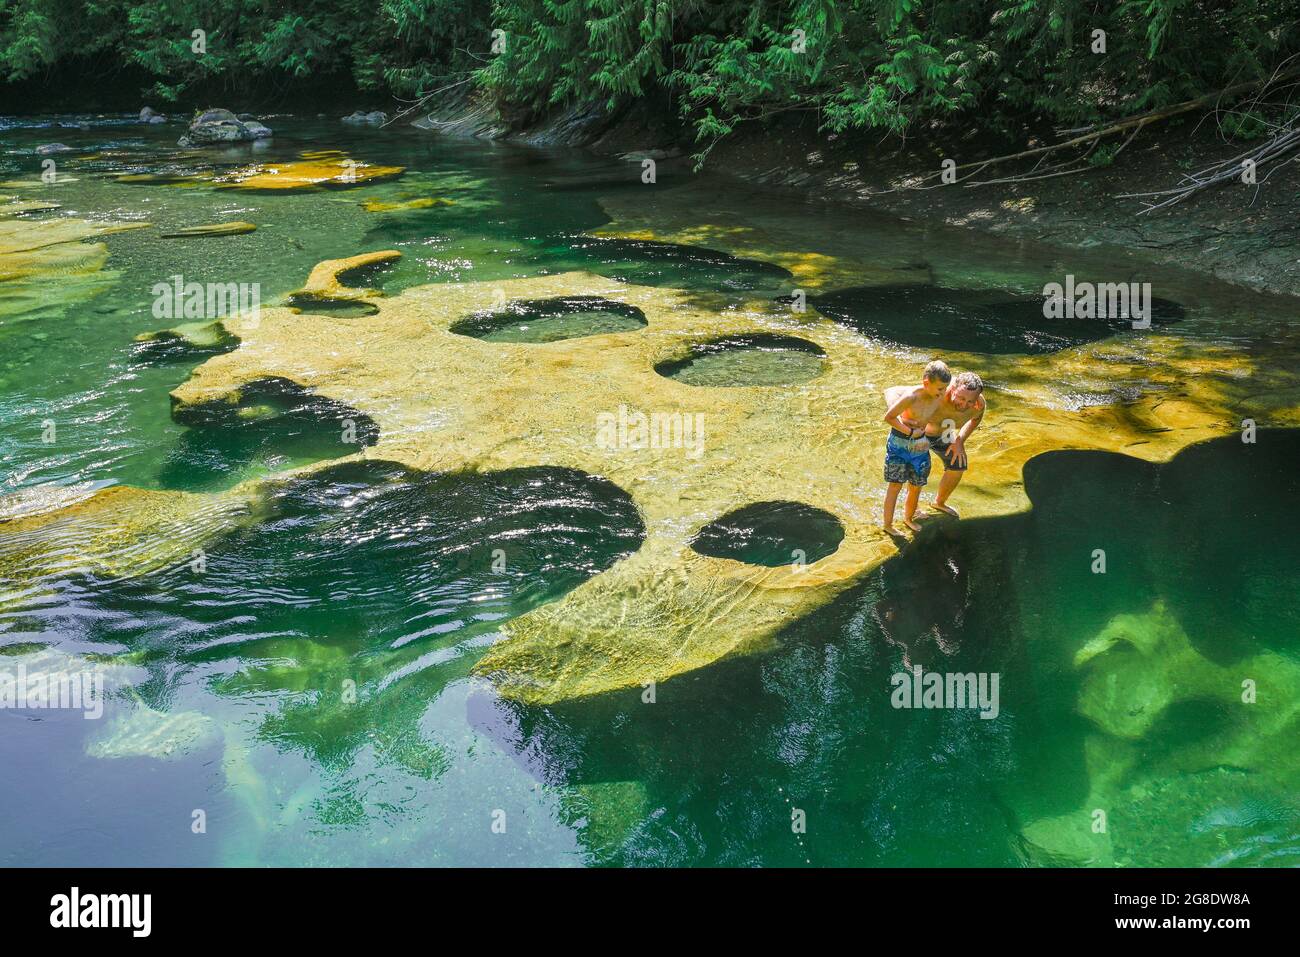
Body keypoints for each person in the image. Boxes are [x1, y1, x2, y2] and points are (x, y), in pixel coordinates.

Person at [881, 360, 951, 533]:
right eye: (941, 389)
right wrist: (908, 430)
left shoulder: (937, 394)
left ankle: (908, 517)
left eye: (945, 389)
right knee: (895, 485)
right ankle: (888, 525)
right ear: (927, 383)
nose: (943, 393)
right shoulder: (911, 396)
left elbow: (964, 385)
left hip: (920, 446)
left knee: (916, 485)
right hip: (899, 444)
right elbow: (889, 417)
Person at [924, 370, 986, 517]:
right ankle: (911, 509)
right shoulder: (936, 394)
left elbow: (975, 419)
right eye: (961, 398)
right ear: (952, 389)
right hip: (920, 431)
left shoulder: (979, 403)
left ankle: (939, 502)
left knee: (958, 463)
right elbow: (908, 401)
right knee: (919, 468)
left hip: (944, 433)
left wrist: (959, 441)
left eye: (970, 401)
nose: (965, 404)